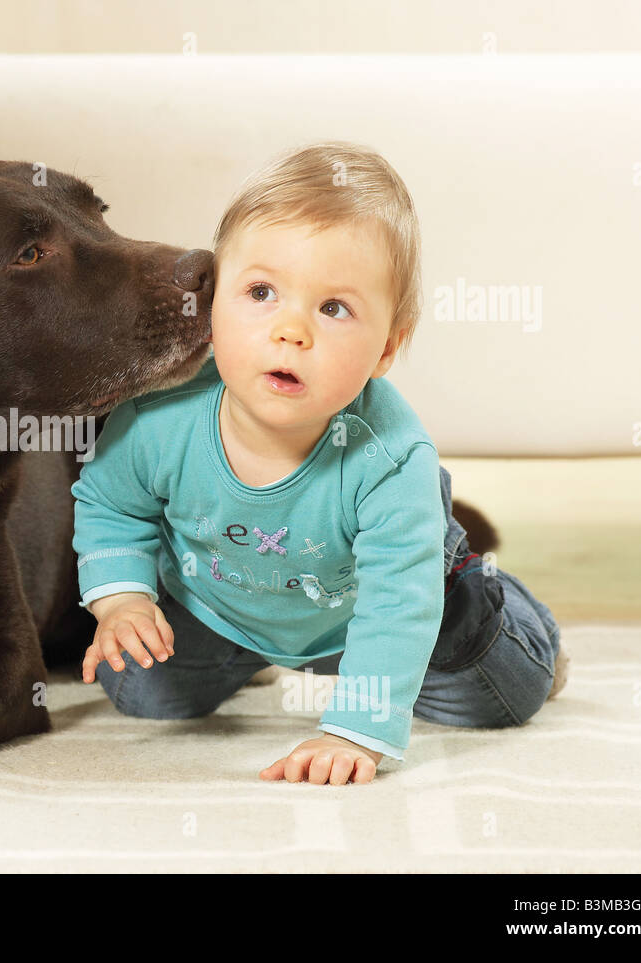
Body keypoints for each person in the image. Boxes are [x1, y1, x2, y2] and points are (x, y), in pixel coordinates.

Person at [70, 141, 566, 786]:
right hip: (224, 606)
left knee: (500, 697)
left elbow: (395, 603)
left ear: (385, 349)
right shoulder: (159, 418)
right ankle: (291, 658)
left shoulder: (387, 459)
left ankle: (491, 604)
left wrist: (354, 732)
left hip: (383, 600)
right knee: (142, 692)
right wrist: (124, 600)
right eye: (260, 292)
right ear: (213, 303)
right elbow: (111, 502)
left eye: (333, 309)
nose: (291, 330)